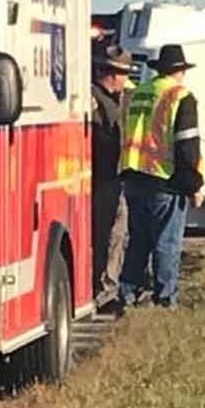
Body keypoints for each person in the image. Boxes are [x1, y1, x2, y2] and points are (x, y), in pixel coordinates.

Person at [117, 44, 204, 310]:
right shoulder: (180, 96)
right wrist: (193, 184)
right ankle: (165, 298)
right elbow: (187, 145)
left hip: (133, 175)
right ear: (180, 71)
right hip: (163, 178)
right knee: (167, 242)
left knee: (138, 241)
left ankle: (128, 292)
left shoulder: (139, 93)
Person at [90, 44, 134, 308]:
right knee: (103, 234)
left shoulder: (123, 98)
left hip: (117, 178)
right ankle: (101, 288)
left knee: (117, 234)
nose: (126, 81)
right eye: (125, 75)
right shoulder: (93, 99)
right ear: (113, 74)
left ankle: (109, 287)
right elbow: (98, 138)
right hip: (101, 178)